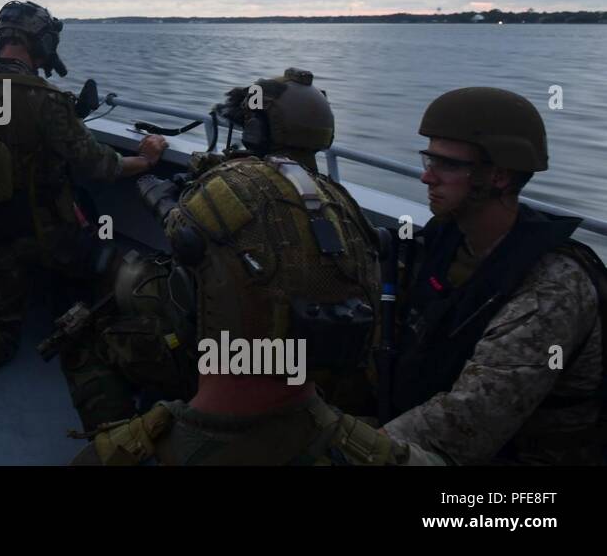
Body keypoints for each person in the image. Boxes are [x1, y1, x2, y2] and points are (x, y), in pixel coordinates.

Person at [71, 72, 440, 465]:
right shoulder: (341, 201)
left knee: (95, 321)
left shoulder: (229, 189)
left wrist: (158, 191)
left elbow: (182, 232)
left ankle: (130, 436)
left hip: (228, 371)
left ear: (255, 130)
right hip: (314, 384)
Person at [0, 0, 166, 413]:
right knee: (133, 276)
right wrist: (145, 159)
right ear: (41, 43)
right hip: (50, 239)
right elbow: (97, 164)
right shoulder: (47, 99)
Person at [384, 87, 605, 465]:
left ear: (499, 176)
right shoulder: (446, 240)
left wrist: (342, 446)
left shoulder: (552, 289)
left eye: (447, 165)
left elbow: (464, 427)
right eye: (428, 160)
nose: (426, 177)